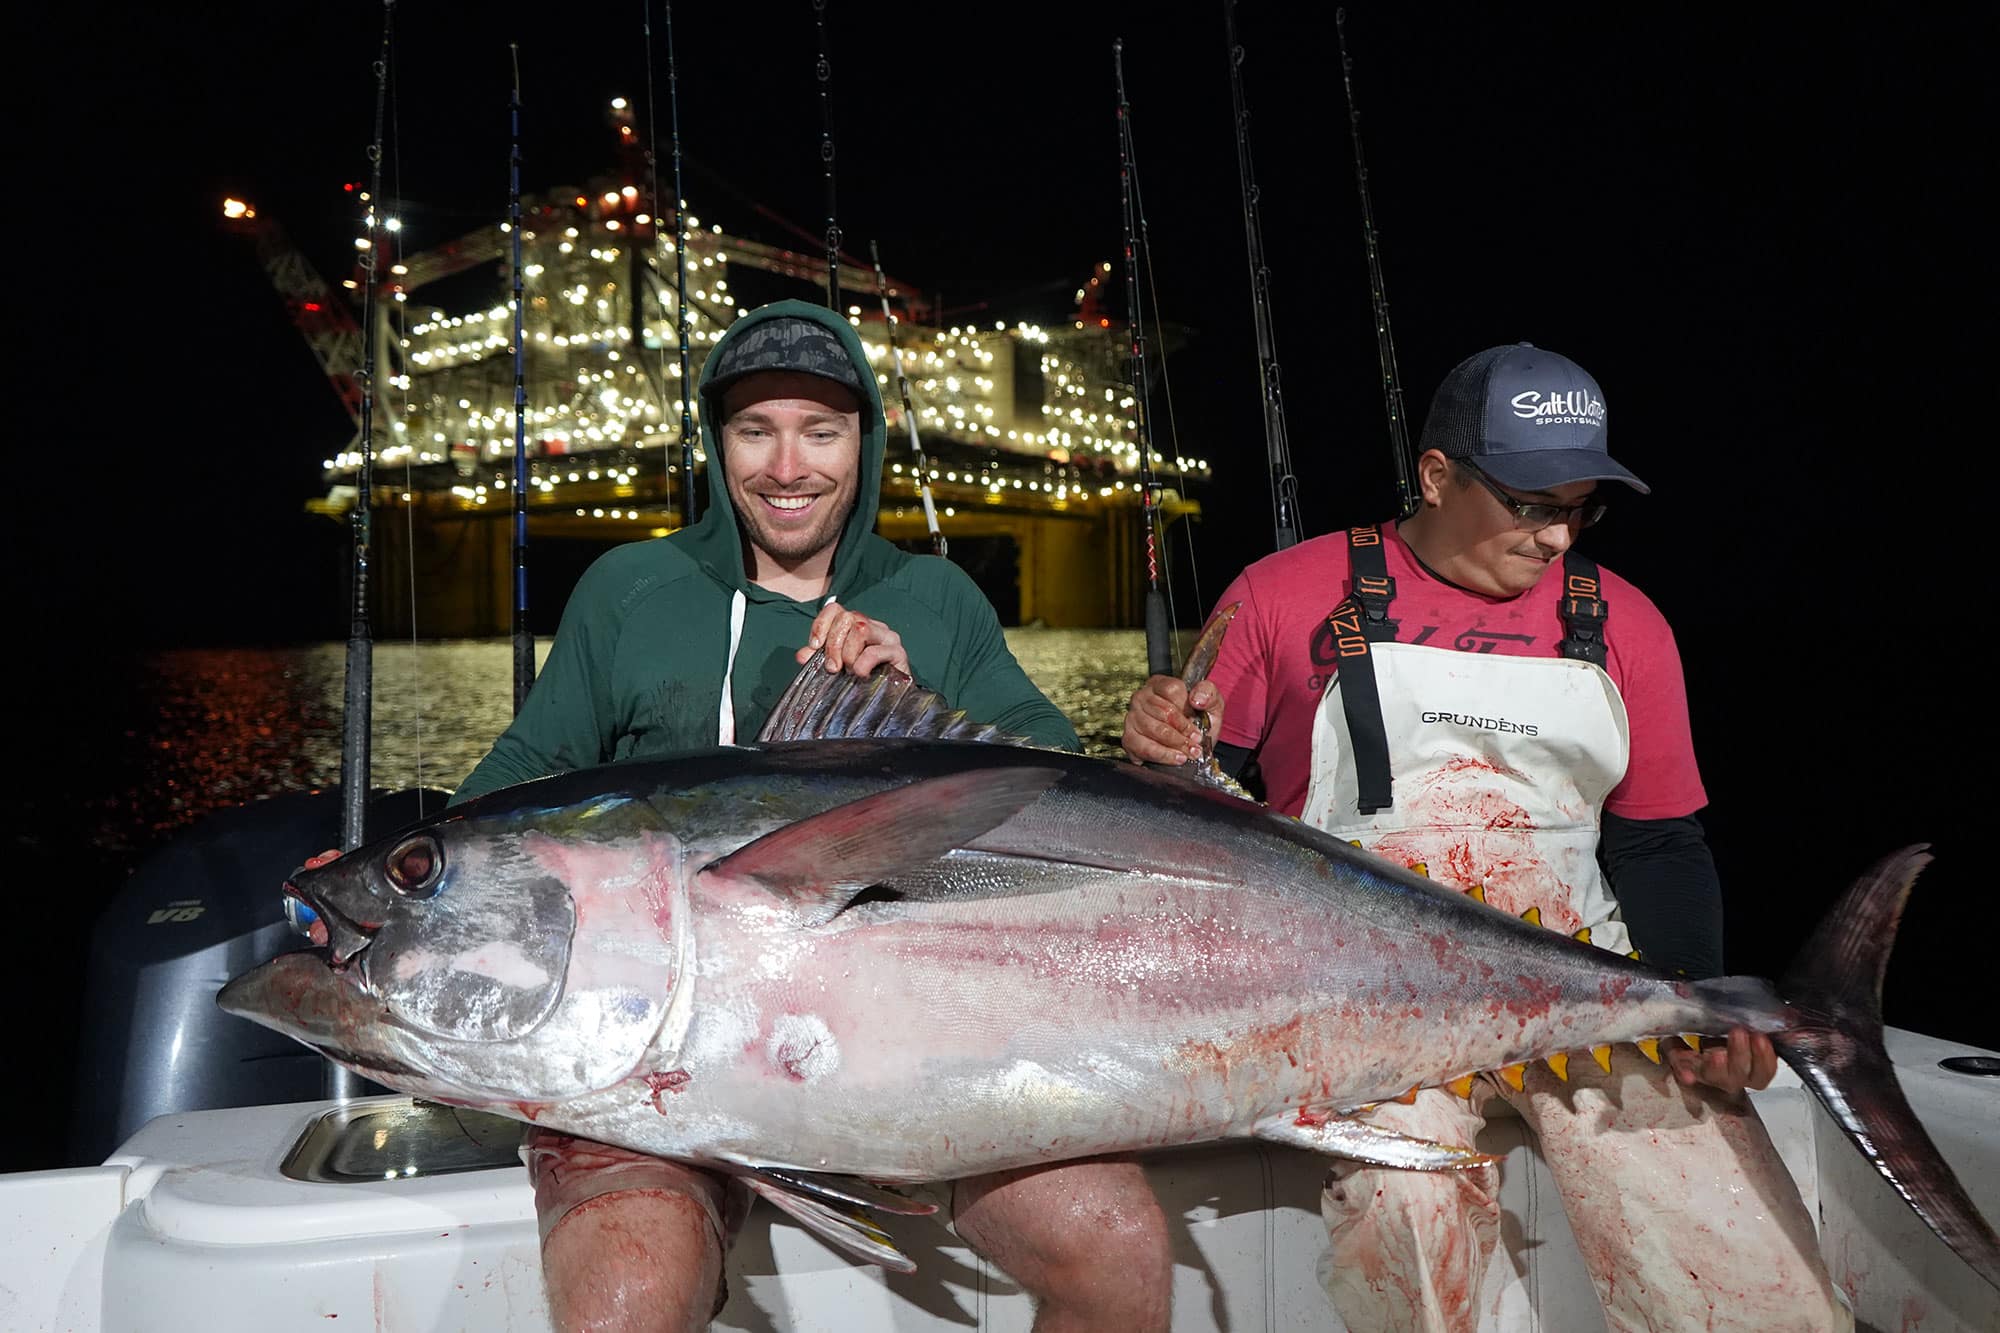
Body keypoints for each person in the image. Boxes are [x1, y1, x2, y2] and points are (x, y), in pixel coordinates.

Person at [310, 300, 1174, 1332]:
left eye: (821, 431)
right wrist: (403, 892)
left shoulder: (934, 596)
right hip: (646, 1058)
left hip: (911, 1038)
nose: (786, 465)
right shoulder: (633, 589)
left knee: (1112, 1247)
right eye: (753, 431)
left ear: (865, 441)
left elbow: (1052, 785)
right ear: (716, 444)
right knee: (629, 1300)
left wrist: (913, 709)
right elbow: (518, 779)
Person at [1123, 343, 1848, 1332]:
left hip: (1579, 987)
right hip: (1363, 1004)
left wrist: (1692, 998)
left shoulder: (1623, 622)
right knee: (1405, 1216)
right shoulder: (1282, 594)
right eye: (1528, 503)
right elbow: (1182, 814)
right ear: (1434, 475)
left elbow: (1656, 843)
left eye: (1579, 507)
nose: (1556, 535)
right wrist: (1155, 743)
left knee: (1733, 1251)